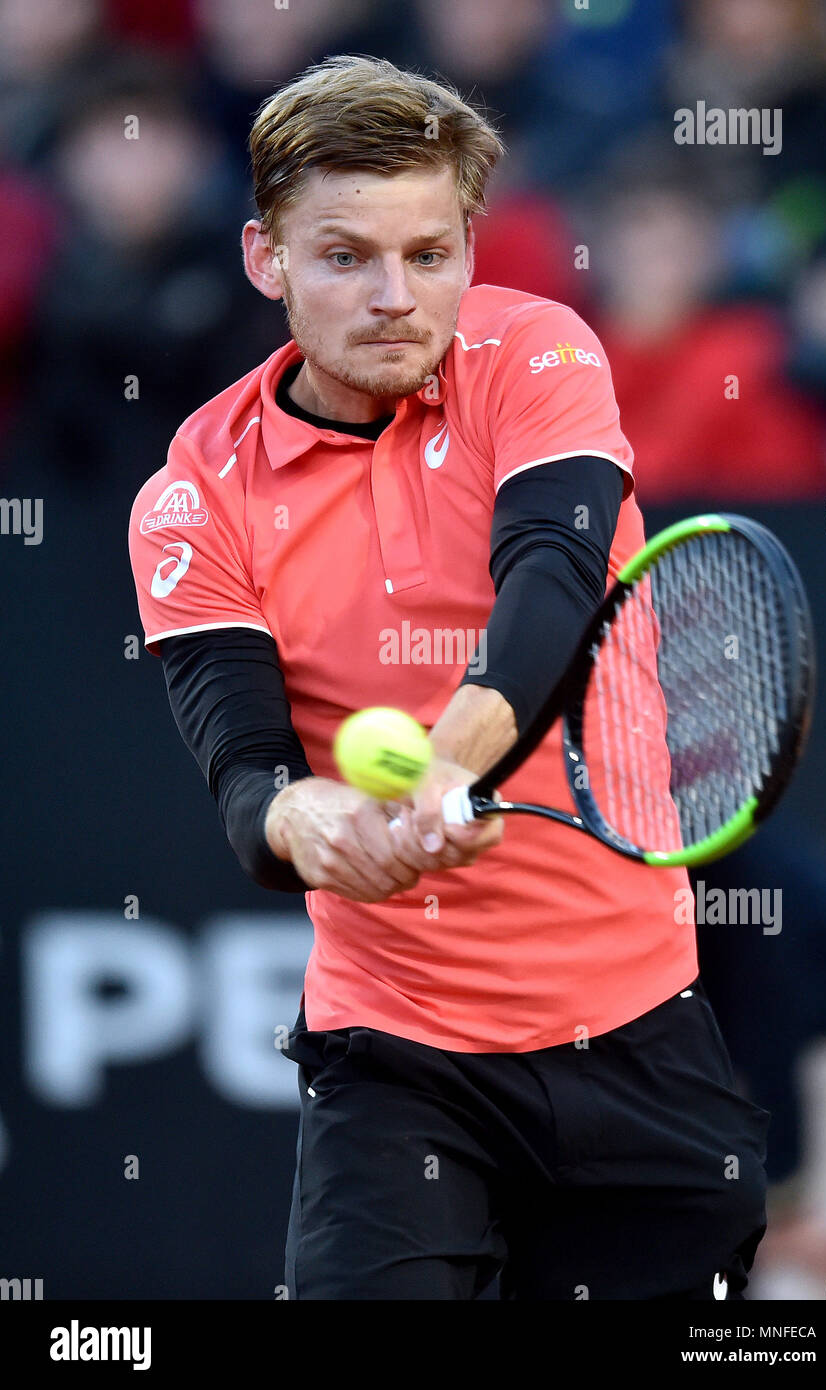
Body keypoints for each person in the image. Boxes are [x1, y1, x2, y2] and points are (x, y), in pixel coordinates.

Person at [127, 55, 769, 1301]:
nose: (392, 297)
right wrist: (307, 818)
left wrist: (446, 762)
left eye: (429, 254)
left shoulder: (537, 352)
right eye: (344, 256)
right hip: (394, 1057)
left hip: (636, 1032)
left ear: (472, 246)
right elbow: (246, 773)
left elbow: (552, 580)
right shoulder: (192, 495)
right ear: (266, 259)